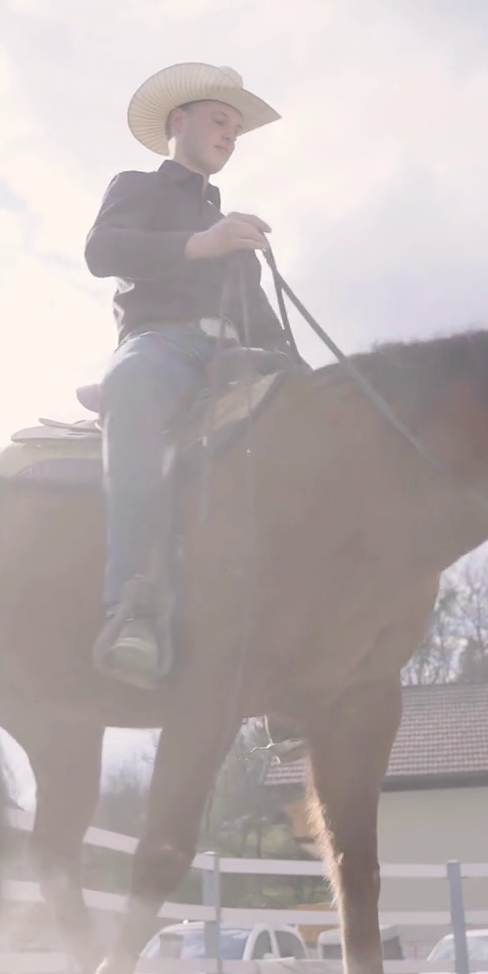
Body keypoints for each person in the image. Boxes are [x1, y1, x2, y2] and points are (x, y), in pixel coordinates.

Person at [83, 62, 291, 691]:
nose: (230, 134)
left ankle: (291, 621)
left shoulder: (235, 230)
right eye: (219, 120)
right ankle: (132, 609)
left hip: (238, 358)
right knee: (137, 384)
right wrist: (202, 243)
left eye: (236, 128)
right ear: (180, 123)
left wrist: (300, 373)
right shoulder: (137, 187)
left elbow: (262, 322)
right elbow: (102, 252)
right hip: (163, 346)